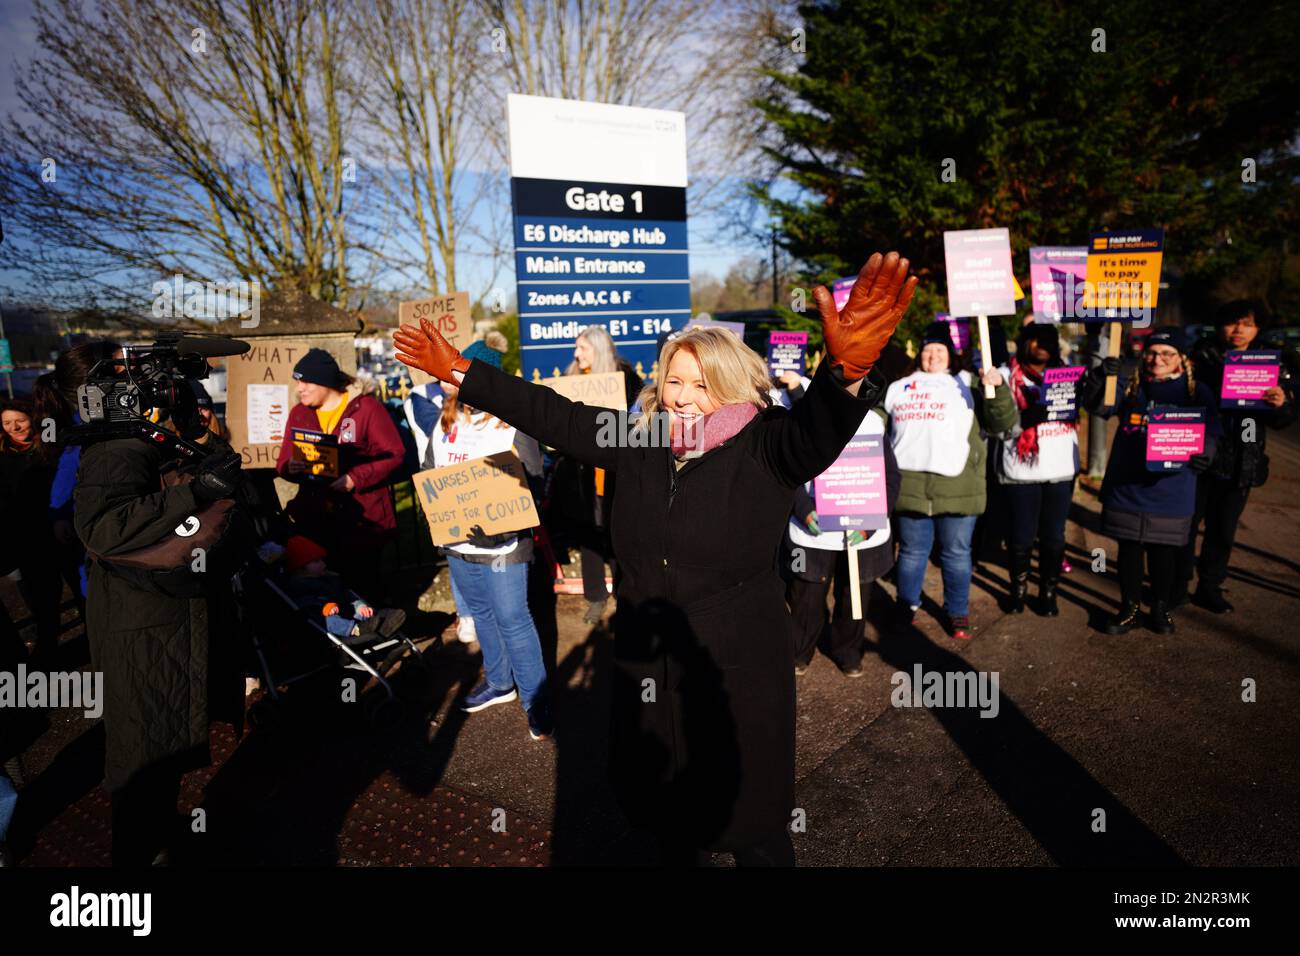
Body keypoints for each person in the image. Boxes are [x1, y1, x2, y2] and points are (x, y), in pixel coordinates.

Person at [395, 250, 917, 867]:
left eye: (703, 383)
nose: (686, 396)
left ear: (731, 384)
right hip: (649, 666)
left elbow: (818, 431)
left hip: (736, 670)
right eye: (676, 379)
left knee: (752, 826)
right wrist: (462, 373)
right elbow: (553, 415)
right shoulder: (641, 441)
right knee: (670, 822)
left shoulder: (768, 442)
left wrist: (845, 375)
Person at [73, 356, 248, 866]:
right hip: (141, 627)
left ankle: (164, 836)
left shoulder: (162, 444)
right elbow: (104, 528)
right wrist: (195, 491)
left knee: (166, 747)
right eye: (178, 401)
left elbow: (226, 497)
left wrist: (210, 447)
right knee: (142, 758)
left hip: (173, 620)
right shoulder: (115, 451)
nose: (187, 410)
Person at [425, 339, 551, 739]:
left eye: (457, 376)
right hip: (460, 544)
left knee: (514, 619)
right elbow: (431, 469)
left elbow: (534, 479)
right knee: (481, 615)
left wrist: (496, 503)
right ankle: (499, 682)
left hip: (504, 545)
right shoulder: (445, 419)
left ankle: (537, 701)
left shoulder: (514, 422)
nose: (448, 383)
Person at [1080, 327, 1222, 634]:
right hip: (1128, 486)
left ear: (1181, 359)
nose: (1158, 359)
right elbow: (1099, 407)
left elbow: (1211, 433)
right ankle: (1129, 608)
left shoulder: (1197, 392)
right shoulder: (1130, 385)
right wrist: (1101, 376)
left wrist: (1205, 456)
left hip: (1171, 489)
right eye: (1153, 352)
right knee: (1129, 551)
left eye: (1167, 354)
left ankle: (1160, 608)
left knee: (1164, 553)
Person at [882, 322, 1017, 639]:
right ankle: (907, 604)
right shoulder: (899, 386)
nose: (933, 356)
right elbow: (877, 425)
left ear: (951, 354)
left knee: (956, 554)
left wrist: (996, 389)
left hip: (958, 486)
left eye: (939, 350)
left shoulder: (968, 384)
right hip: (911, 487)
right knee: (912, 552)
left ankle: (957, 611)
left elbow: (1002, 422)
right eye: (928, 350)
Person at [1176, 301, 1296, 612]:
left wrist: (1280, 402)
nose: (1239, 330)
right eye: (1232, 323)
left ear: (1258, 329)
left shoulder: (1271, 363)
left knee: (1223, 529)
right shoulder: (1198, 357)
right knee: (1184, 525)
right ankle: (1176, 585)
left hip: (1243, 458)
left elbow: (1283, 420)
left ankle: (1210, 586)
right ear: (1219, 326)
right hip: (1198, 455)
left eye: (1247, 324)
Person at [275, 348, 405, 601]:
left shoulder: (366, 408)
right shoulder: (299, 413)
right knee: (324, 592)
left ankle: (376, 634)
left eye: (306, 381)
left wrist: (355, 478)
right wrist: (289, 467)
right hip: (315, 520)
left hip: (363, 521)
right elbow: (283, 461)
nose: (299, 388)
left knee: (365, 588)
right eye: (297, 381)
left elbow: (394, 454)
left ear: (325, 382)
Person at [782, 402, 900, 676]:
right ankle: (799, 651)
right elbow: (790, 470)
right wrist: (803, 510)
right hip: (813, 529)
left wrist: (872, 521)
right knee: (806, 595)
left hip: (862, 530)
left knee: (854, 595)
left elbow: (891, 477)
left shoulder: (873, 422)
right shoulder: (805, 418)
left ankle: (848, 651)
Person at [555, 325, 643, 624]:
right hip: (582, 475)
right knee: (588, 535)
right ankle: (595, 597)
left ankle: (624, 595)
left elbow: (641, 422)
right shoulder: (571, 380)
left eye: (582, 347)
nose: (576, 353)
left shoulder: (627, 379)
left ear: (598, 349)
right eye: (576, 348)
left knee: (619, 533)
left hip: (615, 471)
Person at [997, 324, 1080, 616]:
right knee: (1020, 537)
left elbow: (1095, 403)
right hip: (1021, 470)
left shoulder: (1070, 374)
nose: (1042, 345)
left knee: (1054, 536)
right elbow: (996, 424)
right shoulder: (1005, 375)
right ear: (1024, 343)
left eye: (1049, 339)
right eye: (1035, 339)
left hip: (1060, 467)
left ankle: (1048, 592)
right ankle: (1018, 591)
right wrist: (1026, 417)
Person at [0, 397, 65, 661]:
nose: (13, 428)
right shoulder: (2, 455)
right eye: (6, 423)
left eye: (20, 421)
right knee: (42, 604)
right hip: (25, 541)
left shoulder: (49, 448)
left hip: (60, 531)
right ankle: (46, 654)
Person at [282, 534, 406, 643]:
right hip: (331, 623)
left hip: (346, 612)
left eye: (322, 560)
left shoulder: (330, 578)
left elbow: (348, 594)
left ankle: (380, 619)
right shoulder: (299, 585)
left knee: (361, 609)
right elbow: (306, 605)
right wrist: (325, 607)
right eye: (316, 561)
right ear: (301, 568)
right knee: (328, 620)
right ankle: (358, 629)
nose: (323, 564)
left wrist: (360, 605)